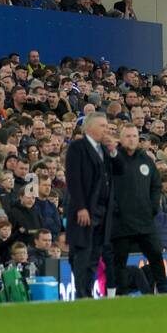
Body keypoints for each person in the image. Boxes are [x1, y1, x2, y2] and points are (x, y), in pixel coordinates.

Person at [104, 123, 166, 294]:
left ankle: (163, 291)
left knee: (156, 256)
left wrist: (153, 207)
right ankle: (120, 294)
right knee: (119, 261)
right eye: (128, 136)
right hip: (121, 222)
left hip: (144, 220)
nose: (131, 140)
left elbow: (156, 185)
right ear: (120, 139)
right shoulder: (112, 159)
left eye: (134, 136)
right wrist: (115, 208)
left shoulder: (146, 160)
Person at [66, 113, 112, 300]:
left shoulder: (105, 150)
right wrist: (81, 207)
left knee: (95, 254)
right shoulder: (78, 147)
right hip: (85, 210)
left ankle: (87, 292)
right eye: (102, 125)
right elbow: (74, 179)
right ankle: (81, 293)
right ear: (90, 128)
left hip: (103, 210)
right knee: (82, 252)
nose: (106, 129)